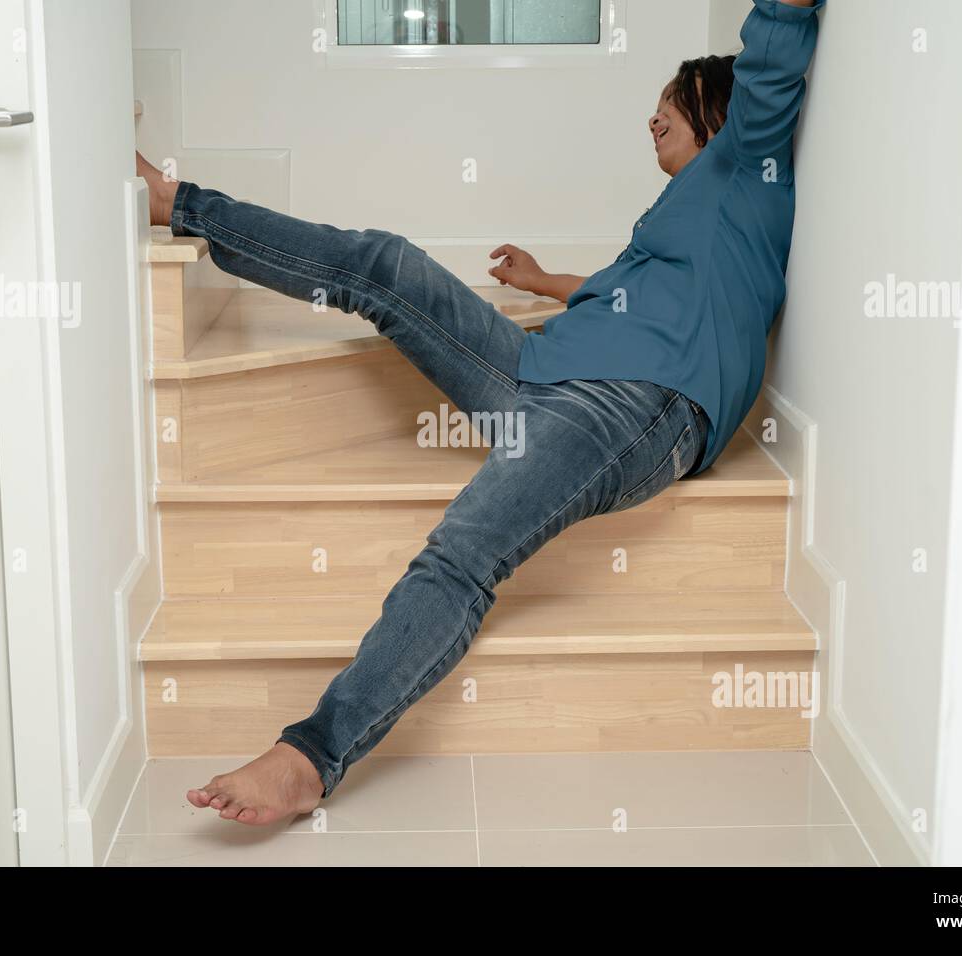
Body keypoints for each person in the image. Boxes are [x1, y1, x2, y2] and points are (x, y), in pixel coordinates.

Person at [134, 0, 823, 826]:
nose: (651, 119)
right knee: (384, 266)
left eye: (669, 106)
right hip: (540, 369)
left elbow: (773, 61)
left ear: (718, 110)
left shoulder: (747, 167)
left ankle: (311, 756)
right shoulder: (682, 224)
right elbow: (632, 294)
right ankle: (180, 205)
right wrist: (544, 284)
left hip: (637, 407)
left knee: (465, 548)